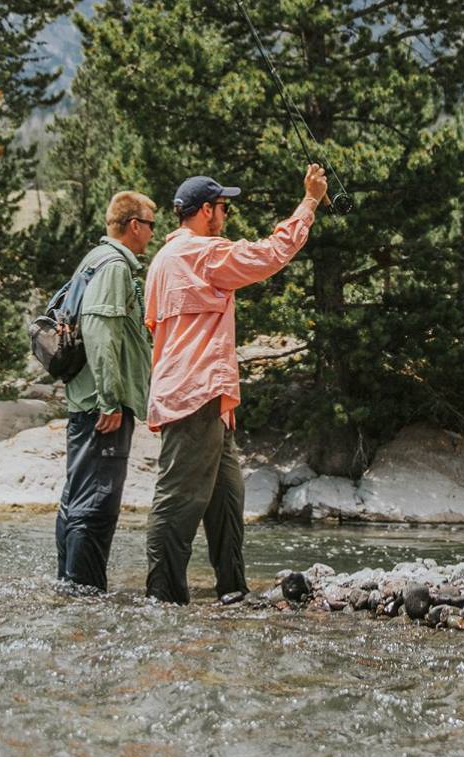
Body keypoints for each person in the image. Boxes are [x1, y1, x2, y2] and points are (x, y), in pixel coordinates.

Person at [142, 164, 326, 604]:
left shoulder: (162, 261)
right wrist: (310, 201)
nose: (226, 215)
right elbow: (270, 255)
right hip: (195, 393)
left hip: (199, 395)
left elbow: (153, 326)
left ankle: (233, 592)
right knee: (178, 501)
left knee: (227, 497)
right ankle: (162, 600)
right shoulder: (202, 254)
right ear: (207, 210)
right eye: (224, 207)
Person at [54, 190, 157, 592]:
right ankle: (85, 593)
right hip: (101, 407)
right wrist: (110, 400)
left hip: (85, 401)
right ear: (134, 225)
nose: (152, 233)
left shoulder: (94, 260)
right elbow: (99, 332)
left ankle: (69, 586)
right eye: (150, 225)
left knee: (77, 497)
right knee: (97, 503)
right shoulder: (114, 266)